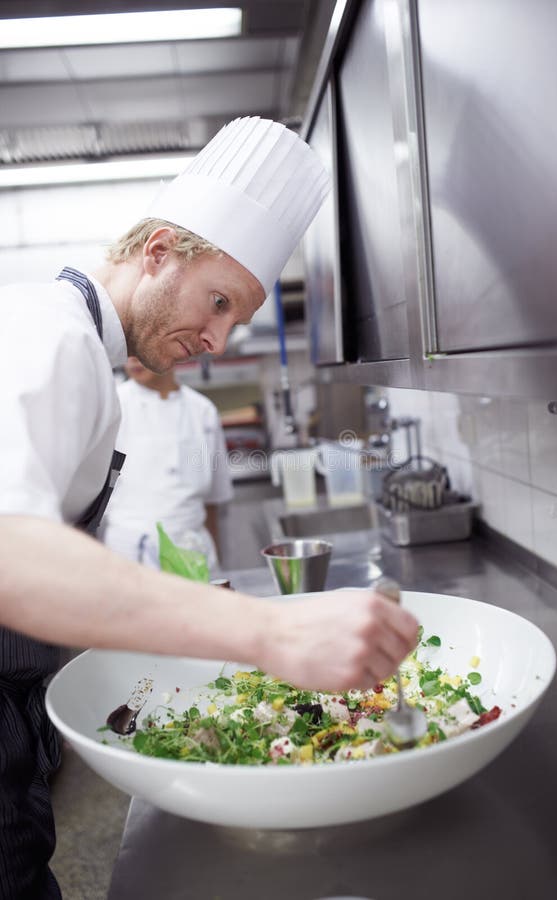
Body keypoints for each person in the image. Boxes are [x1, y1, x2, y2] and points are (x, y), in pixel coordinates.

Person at [0, 117, 419, 900]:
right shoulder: (49, 338)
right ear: (157, 252)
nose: (220, 339)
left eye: (238, 318)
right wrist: (269, 633)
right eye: (218, 301)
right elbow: (9, 553)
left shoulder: (84, 349)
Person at [101, 356, 232, 571]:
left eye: (141, 351)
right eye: (129, 351)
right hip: (130, 552)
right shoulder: (114, 405)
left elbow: (214, 499)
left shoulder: (202, 410)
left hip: (192, 549)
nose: (132, 360)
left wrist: (218, 563)